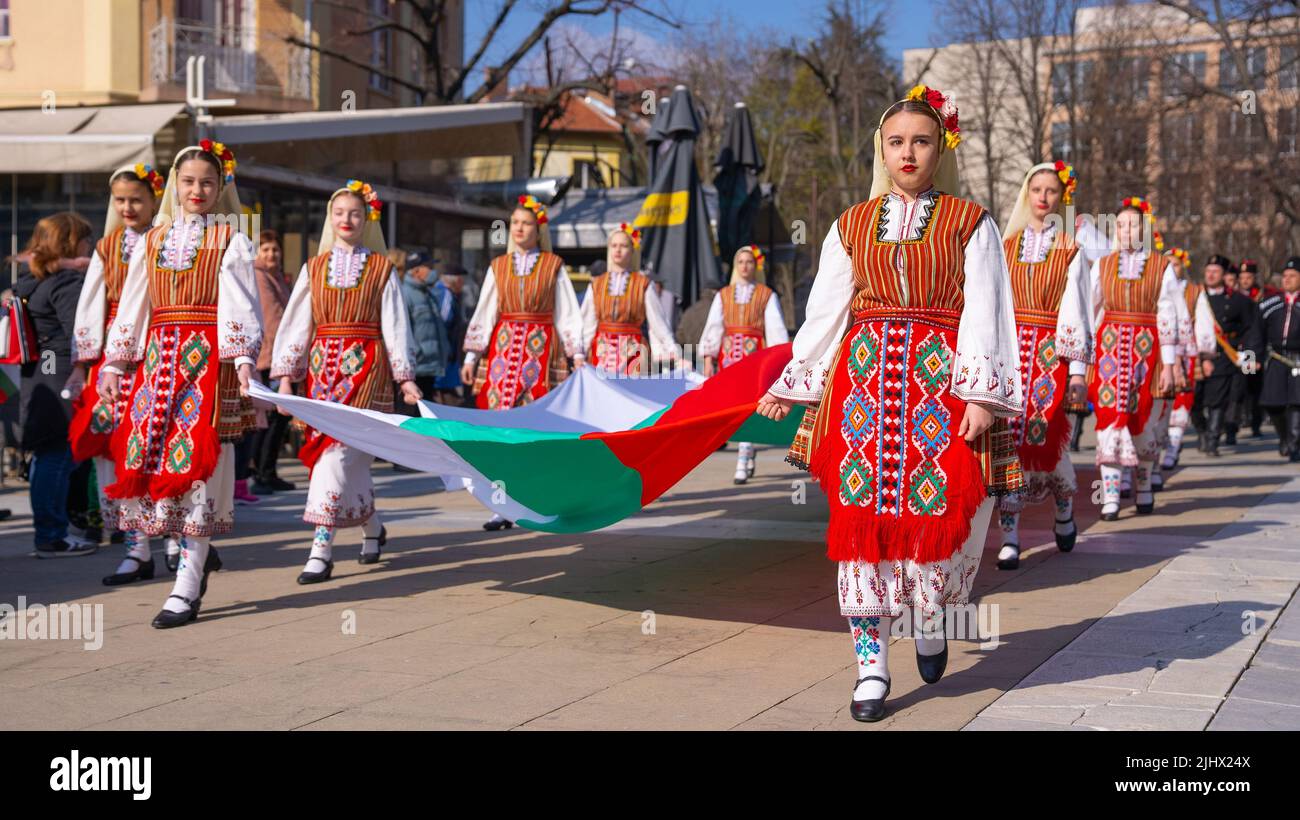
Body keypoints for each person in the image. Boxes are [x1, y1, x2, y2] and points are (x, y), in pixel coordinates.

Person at [756, 85, 1023, 722]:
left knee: (937, 520)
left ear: (941, 148)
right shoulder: (850, 223)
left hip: (939, 386)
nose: (908, 153)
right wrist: (796, 380)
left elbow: (987, 309)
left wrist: (982, 393)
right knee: (859, 526)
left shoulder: (970, 221)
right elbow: (826, 309)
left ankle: (930, 623)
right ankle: (871, 667)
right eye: (896, 142)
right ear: (882, 149)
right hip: (865, 392)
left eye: (921, 141)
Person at [98, 140, 262, 628]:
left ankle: (186, 585)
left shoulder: (231, 239)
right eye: (188, 181)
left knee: (199, 468)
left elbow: (240, 304)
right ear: (175, 184)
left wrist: (243, 358)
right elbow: (134, 304)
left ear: (220, 187)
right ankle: (187, 557)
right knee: (153, 461)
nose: (198, 190)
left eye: (208, 182)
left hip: (207, 366)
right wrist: (114, 363)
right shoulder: (152, 239)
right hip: (158, 366)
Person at [272, 180, 420, 582]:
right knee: (342, 458)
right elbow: (298, 324)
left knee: (336, 456)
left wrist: (404, 377)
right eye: (339, 213)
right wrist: (286, 377)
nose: (347, 220)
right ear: (330, 218)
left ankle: (321, 549)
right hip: (323, 373)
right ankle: (372, 528)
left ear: (366, 217)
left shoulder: (381, 268)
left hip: (368, 373)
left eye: (355, 213)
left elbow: (394, 324)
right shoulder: (314, 267)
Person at [67, 164, 187, 581]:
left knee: (166, 448)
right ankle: (136, 547)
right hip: (117, 362)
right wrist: (83, 367)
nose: (127, 207)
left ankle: (174, 538)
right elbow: (92, 305)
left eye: (136, 199)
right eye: (120, 200)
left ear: (155, 199)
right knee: (115, 453)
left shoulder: (172, 241)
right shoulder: (107, 247)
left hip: (163, 352)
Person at [459, 195, 585, 530]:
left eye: (526, 223)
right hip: (502, 355)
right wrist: (472, 354)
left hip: (541, 355)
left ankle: (539, 499)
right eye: (514, 223)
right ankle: (501, 505)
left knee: (537, 430)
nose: (518, 229)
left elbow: (568, 313)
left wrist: (577, 354)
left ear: (538, 228)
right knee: (501, 431)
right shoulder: (498, 266)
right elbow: (485, 311)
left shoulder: (553, 265)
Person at [992, 161, 1092, 570]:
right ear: (1027, 193)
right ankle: (1010, 535)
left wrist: (1078, 371)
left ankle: (1064, 508)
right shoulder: (1007, 245)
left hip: (1049, 355)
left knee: (1049, 438)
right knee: (1008, 440)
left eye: (1052, 191)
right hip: (1012, 354)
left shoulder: (1071, 249)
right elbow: (994, 301)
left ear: (1060, 198)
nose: (1043, 197)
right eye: (1037, 189)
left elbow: (1077, 309)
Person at [13, 213, 96, 557]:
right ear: (70, 242)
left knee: (48, 453)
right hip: (60, 369)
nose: (90, 245)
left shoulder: (28, 280)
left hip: (37, 371)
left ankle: (52, 530)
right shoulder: (65, 282)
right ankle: (52, 536)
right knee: (58, 454)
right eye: (85, 239)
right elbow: (81, 331)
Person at [700, 245, 789, 483]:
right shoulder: (723, 295)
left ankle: (743, 457)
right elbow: (714, 327)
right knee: (732, 408)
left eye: (749, 262)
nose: (745, 266)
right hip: (729, 360)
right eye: (740, 262)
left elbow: (775, 330)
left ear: (756, 265)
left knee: (749, 408)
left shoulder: (765, 295)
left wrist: (777, 361)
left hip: (754, 360)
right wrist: (708, 358)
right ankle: (746, 453)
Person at [581, 224, 678, 376]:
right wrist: (579, 352)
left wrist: (673, 350)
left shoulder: (643, 284)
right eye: (614, 245)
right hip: (600, 352)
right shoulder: (596, 284)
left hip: (633, 353)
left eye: (623, 246)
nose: (618, 250)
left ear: (632, 250)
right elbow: (588, 323)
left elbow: (657, 322)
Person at [1192, 254, 1260, 455]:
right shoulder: (1196, 296)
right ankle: (1202, 431)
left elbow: (1250, 330)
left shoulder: (1239, 301)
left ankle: (1213, 440)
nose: (1211, 275)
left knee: (1217, 400)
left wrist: (1249, 360)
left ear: (1224, 275)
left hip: (1224, 354)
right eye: (1208, 271)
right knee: (1193, 400)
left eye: (1216, 272)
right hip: (1197, 354)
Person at [249, 230, 295, 494]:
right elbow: (275, 319)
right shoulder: (260, 277)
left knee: (278, 420)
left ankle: (269, 470)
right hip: (271, 357)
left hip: (276, 355)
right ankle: (262, 473)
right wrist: (287, 356)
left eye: (275, 250)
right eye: (265, 250)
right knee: (271, 418)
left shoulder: (276, 277)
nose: (271, 254)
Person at [1258, 256, 1300, 461]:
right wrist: (1249, 365)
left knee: (1296, 403)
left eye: (1292, 276)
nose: (1287, 279)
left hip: (1298, 360)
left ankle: (1294, 444)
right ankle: (1284, 437)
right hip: (1276, 359)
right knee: (1272, 402)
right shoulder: (1269, 303)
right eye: (1285, 276)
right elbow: (1254, 334)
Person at [1163, 248, 1200, 468]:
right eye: (1167, 264)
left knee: (1181, 402)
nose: (1171, 269)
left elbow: (1203, 322)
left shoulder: (1193, 292)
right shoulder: (1156, 288)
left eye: (1175, 265)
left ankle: (1173, 448)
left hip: (1185, 354)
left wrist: (1204, 354)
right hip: (1160, 353)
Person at [399, 249, 451, 406]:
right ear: (416, 271)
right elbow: (402, 330)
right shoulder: (405, 294)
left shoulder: (426, 293)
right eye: (429, 267)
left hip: (428, 367)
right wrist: (417, 353)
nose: (433, 271)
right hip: (417, 368)